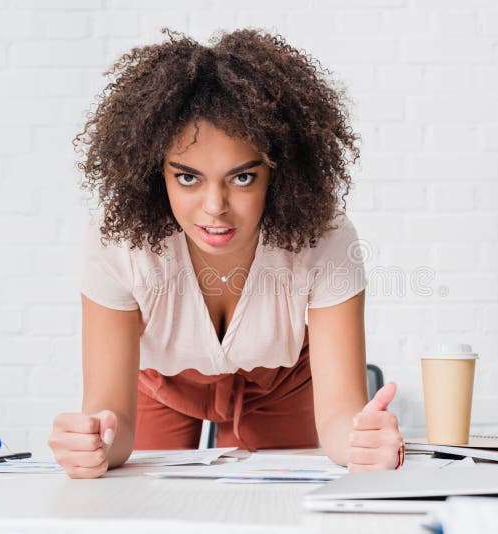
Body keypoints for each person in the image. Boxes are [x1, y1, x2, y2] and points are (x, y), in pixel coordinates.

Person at [47, 28, 404, 479]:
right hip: (161, 385)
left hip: (283, 382)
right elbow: (109, 417)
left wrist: (362, 444)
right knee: (145, 500)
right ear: (154, 173)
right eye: (188, 178)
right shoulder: (118, 242)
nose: (214, 207)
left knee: (279, 501)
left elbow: (340, 418)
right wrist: (92, 442)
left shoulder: (324, 236)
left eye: (242, 178)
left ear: (278, 172)